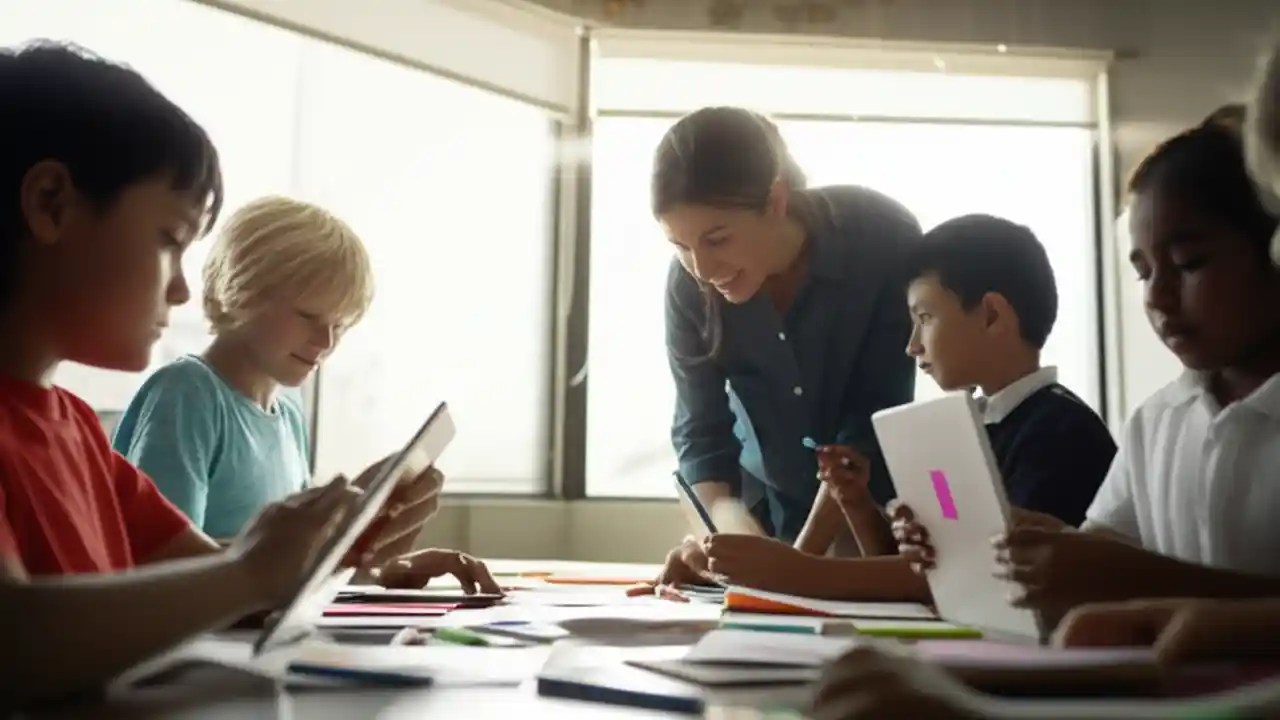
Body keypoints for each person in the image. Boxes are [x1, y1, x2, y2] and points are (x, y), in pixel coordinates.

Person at [701, 215, 1115, 599]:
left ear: (991, 315)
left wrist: (800, 572)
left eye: (926, 317)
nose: (911, 344)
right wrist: (859, 505)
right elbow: (925, 567)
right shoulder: (968, 428)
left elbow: (984, 579)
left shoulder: (1061, 434)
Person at [111, 196, 495, 588]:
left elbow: (291, 567)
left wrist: (384, 571)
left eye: (341, 325)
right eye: (309, 316)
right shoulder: (187, 394)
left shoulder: (287, 411)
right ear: (239, 289)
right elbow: (163, 565)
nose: (326, 340)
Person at [654, 106, 921, 584]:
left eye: (717, 238)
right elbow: (702, 436)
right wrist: (724, 544)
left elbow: (869, 426)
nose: (702, 268)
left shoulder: (882, 240)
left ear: (776, 201)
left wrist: (791, 570)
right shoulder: (687, 286)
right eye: (679, 245)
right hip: (767, 522)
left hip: (874, 532)